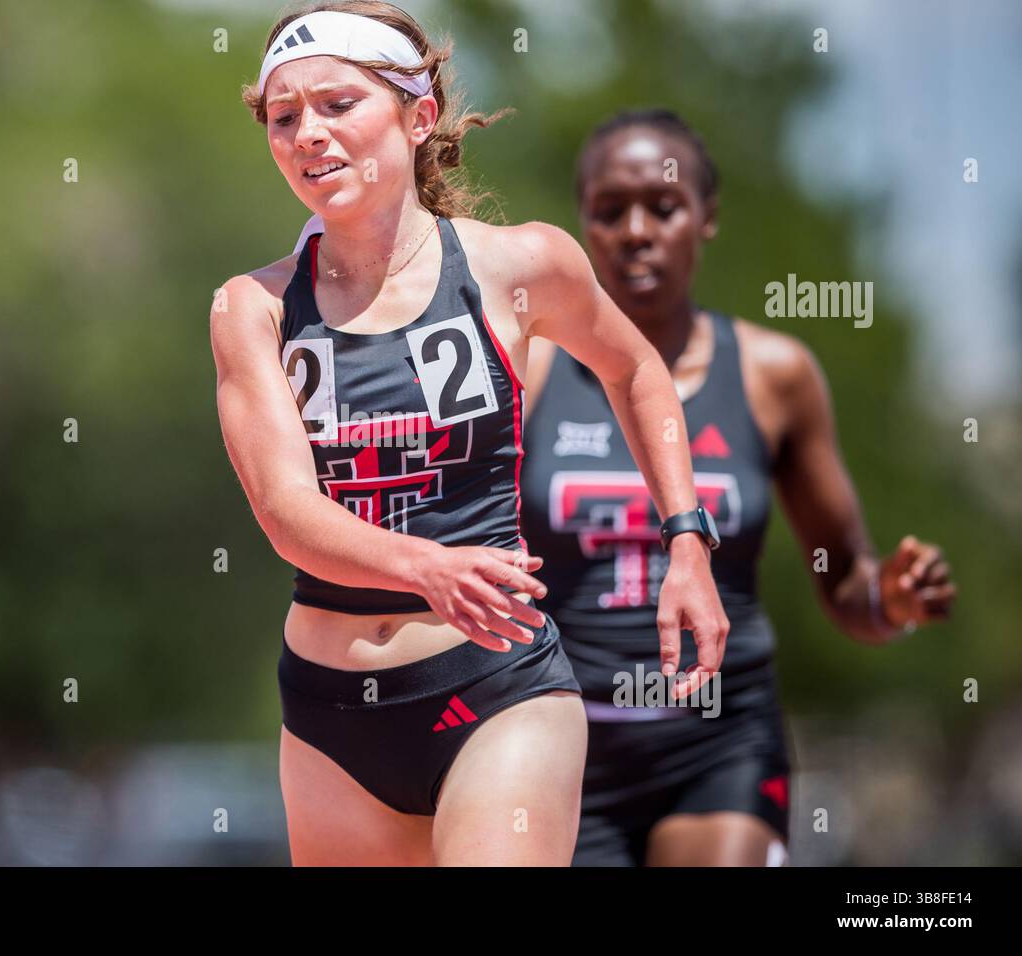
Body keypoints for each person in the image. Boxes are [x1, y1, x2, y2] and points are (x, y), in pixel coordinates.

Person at [212, 3, 728, 866]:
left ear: (418, 118)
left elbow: (636, 370)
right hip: (329, 718)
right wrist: (425, 566)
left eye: (338, 105)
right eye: (284, 115)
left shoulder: (520, 265)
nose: (308, 133)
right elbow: (283, 508)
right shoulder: (252, 307)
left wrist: (687, 541)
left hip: (496, 689)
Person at [520, 108, 958, 866]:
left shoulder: (772, 376)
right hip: (565, 742)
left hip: (718, 740)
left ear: (706, 217)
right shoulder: (528, 369)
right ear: (581, 224)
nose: (635, 231)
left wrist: (891, 597)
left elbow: (846, 580)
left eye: (662, 207)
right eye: (608, 210)